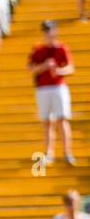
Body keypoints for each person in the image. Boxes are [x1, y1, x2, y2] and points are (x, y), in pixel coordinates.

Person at [29, 19, 75, 165]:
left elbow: (70, 68)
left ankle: (67, 152)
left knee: (62, 119)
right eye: (45, 31)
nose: (48, 34)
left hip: (58, 87)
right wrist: (45, 66)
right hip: (43, 88)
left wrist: (58, 70)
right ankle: (49, 153)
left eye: (50, 30)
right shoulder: (38, 50)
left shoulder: (62, 49)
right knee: (46, 121)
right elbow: (31, 69)